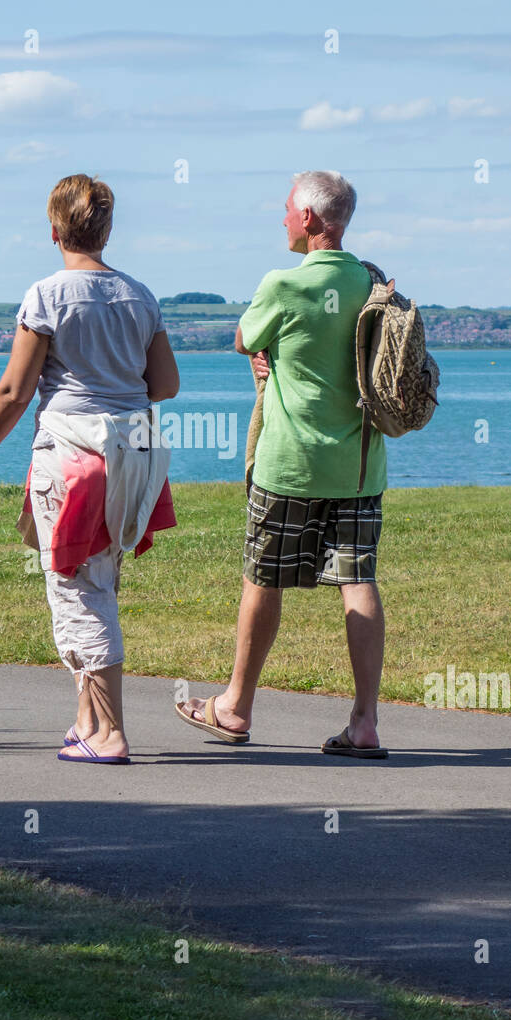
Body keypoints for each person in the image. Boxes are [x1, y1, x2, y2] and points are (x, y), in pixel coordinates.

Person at [0, 174, 180, 765]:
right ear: (106, 230)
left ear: (54, 230)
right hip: (132, 453)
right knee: (96, 581)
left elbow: (13, 390)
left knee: (77, 591)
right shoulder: (140, 296)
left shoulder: (47, 295)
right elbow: (165, 384)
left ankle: (109, 733)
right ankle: (86, 720)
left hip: (73, 454)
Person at [174, 170, 389, 758]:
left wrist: (271, 351)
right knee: (357, 581)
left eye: (288, 210)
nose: (283, 219)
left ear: (312, 220)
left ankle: (235, 707)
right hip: (360, 465)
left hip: (289, 464)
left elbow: (245, 337)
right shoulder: (374, 283)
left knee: (263, 580)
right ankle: (365, 722)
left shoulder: (284, 285)